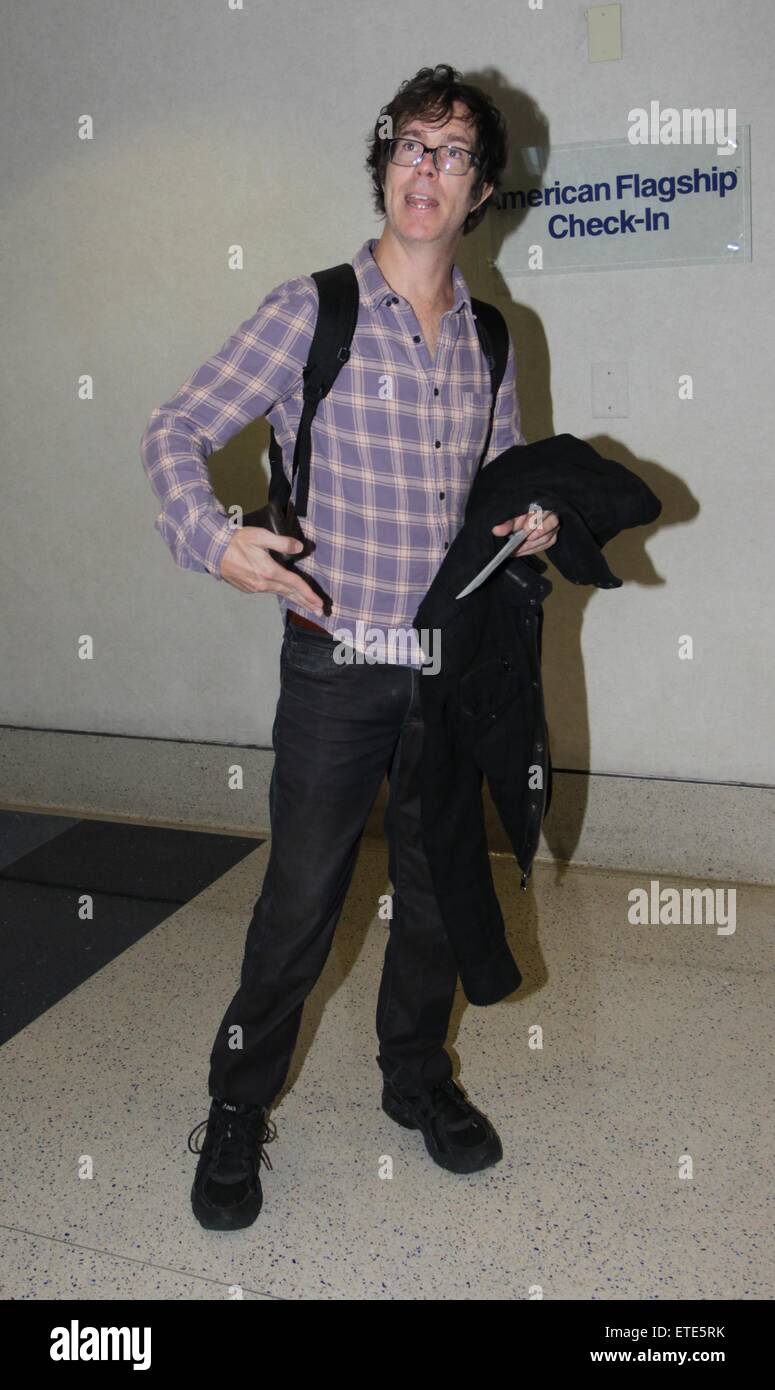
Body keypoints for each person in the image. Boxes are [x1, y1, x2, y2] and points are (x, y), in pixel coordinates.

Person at [140, 62, 559, 1231]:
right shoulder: (309, 309)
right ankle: (237, 1105)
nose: (427, 168)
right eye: (410, 145)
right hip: (334, 664)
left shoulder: (490, 333)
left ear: (480, 191)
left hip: (446, 668)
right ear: (384, 166)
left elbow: (499, 481)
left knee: (436, 891)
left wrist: (529, 521)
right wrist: (212, 536)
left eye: (453, 153)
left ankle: (414, 1078)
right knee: (300, 901)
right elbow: (174, 427)